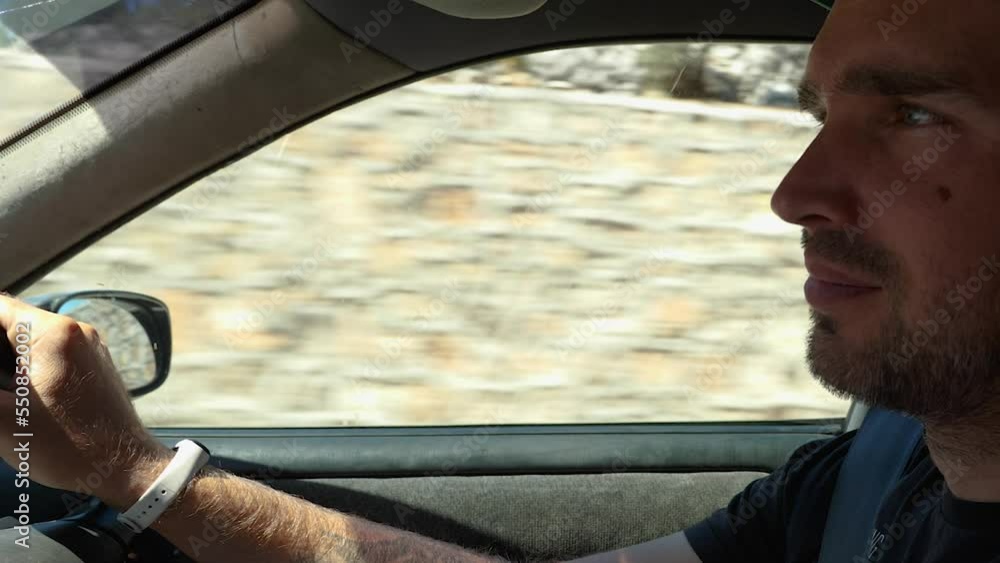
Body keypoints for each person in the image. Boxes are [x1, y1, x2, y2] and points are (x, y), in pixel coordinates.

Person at [4, 0, 1000, 561]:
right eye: (814, 117)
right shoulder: (877, 470)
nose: (795, 194)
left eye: (911, 116)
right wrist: (135, 474)